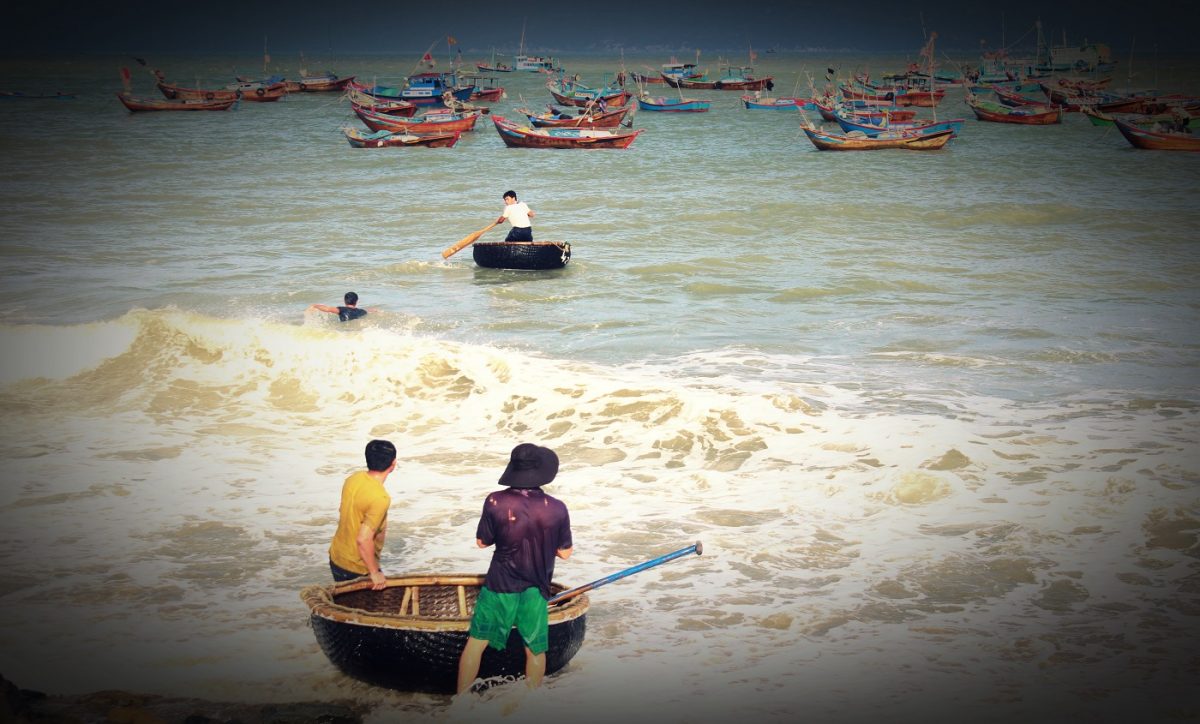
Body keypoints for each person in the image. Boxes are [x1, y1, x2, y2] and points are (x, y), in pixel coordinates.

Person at [456, 443, 572, 694]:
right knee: (535, 650)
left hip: (500, 584)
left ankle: (461, 701)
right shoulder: (557, 507)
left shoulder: (495, 500)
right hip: (536, 587)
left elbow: (482, 542)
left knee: (476, 643)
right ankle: (531, 705)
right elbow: (565, 553)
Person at [328, 439, 398, 590]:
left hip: (337, 557)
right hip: (356, 567)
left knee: (345, 603)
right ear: (393, 464)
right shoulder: (380, 498)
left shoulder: (354, 478)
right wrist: (374, 572)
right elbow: (363, 539)